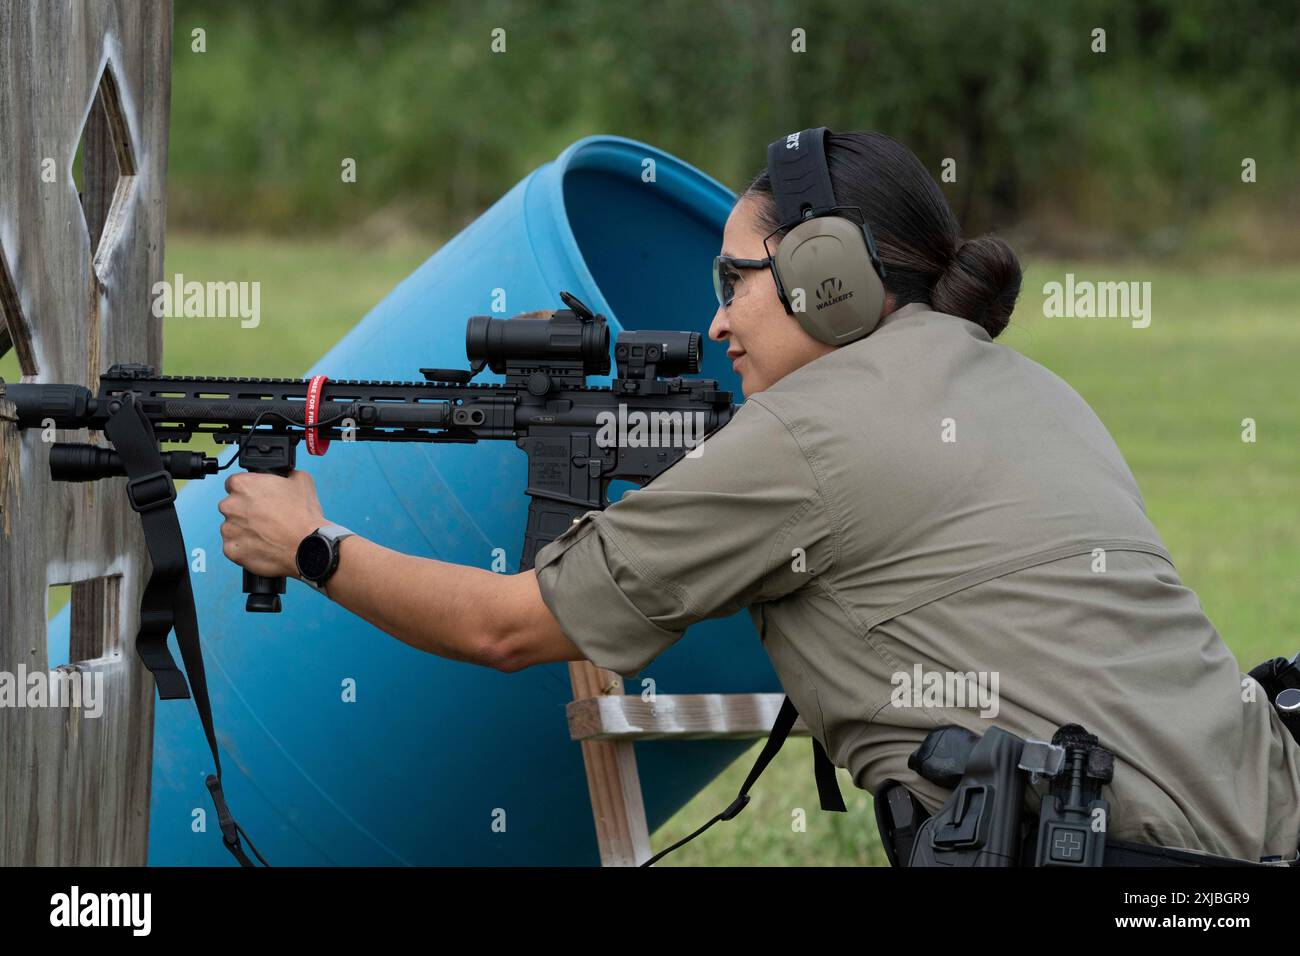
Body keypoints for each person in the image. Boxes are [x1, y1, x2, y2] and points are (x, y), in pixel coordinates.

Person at [218, 129, 1300, 864]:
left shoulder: (805, 433)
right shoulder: (1030, 385)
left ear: (825, 274)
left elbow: (508, 629)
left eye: (733, 281)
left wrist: (310, 542)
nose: (720, 322)